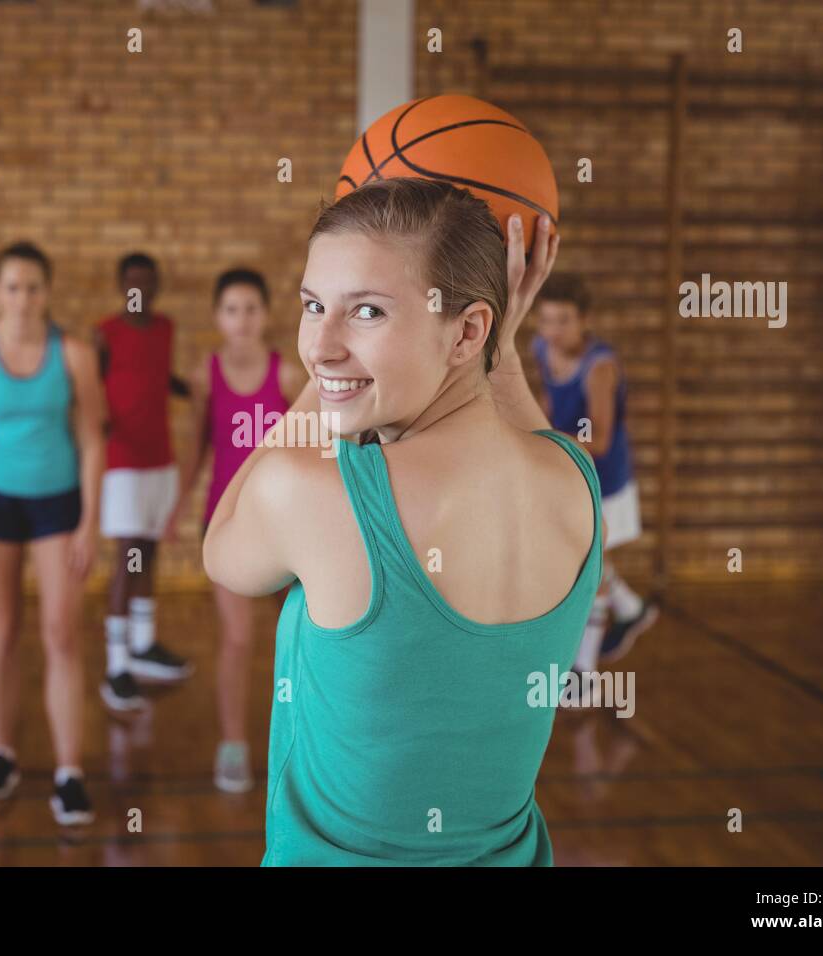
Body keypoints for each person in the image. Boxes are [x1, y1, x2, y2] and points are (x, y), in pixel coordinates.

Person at [205, 178, 601, 865]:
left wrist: (323, 387)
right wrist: (486, 337)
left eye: (366, 311)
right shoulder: (572, 482)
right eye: (312, 306)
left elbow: (222, 548)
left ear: (467, 329)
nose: (320, 343)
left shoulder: (313, 491)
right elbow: (494, 388)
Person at [0, 241, 105, 826]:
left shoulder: (75, 355)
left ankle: (69, 772)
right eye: (12, 286)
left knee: (61, 632)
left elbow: (92, 438)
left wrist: (90, 521)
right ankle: (2, 754)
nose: (23, 298)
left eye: (34, 286)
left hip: (57, 505)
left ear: (47, 291)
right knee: (3, 626)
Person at [166, 268, 305, 792]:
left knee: (296, 638)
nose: (242, 320)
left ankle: (301, 742)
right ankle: (233, 745)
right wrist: (177, 507)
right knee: (238, 638)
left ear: (266, 315)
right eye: (231, 310)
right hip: (226, 523)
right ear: (217, 317)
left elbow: (312, 448)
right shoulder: (206, 374)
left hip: (285, 527)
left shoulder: (288, 376)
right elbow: (199, 444)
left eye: (251, 309)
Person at [531, 274, 658, 675]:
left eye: (564, 320)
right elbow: (551, 399)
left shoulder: (599, 368)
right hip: (573, 472)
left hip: (606, 478)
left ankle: (583, 673)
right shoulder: (541, 347)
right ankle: (632, 609)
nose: (553, 330)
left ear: (585, 320)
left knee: (590, 569)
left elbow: (599, 440)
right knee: (588, 560)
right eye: (547, 320)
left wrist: (539, 435)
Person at [94, 252, 193, 712]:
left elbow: (155, 377)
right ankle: (116, 667)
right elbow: (90, 389)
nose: (140, 290)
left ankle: (143, 644)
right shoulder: (105, 335)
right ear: (121, 286)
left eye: (148, 282)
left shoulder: (167, 328)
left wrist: (189, 389)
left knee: (149, 553)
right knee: (126, 557)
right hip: (124, 462)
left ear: (157, 286)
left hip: (161, 459)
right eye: (132, 282)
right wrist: (96, 430)